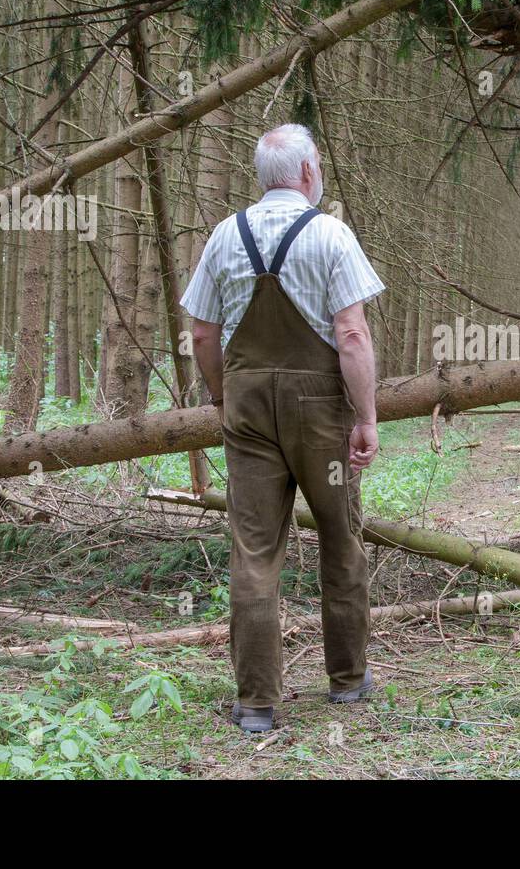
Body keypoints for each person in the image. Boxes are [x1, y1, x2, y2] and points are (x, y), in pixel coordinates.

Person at [181, 123, 384, 733]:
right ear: (306, 171)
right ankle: (347, 680)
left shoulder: (223, 236)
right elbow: (351, 334)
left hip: (248, 413)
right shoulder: (331, 235)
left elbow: (200, 334)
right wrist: (366, 416)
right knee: (340, 538)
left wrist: (223, 395)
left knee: (255, 550)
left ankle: (256, 703)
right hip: (319, 412)